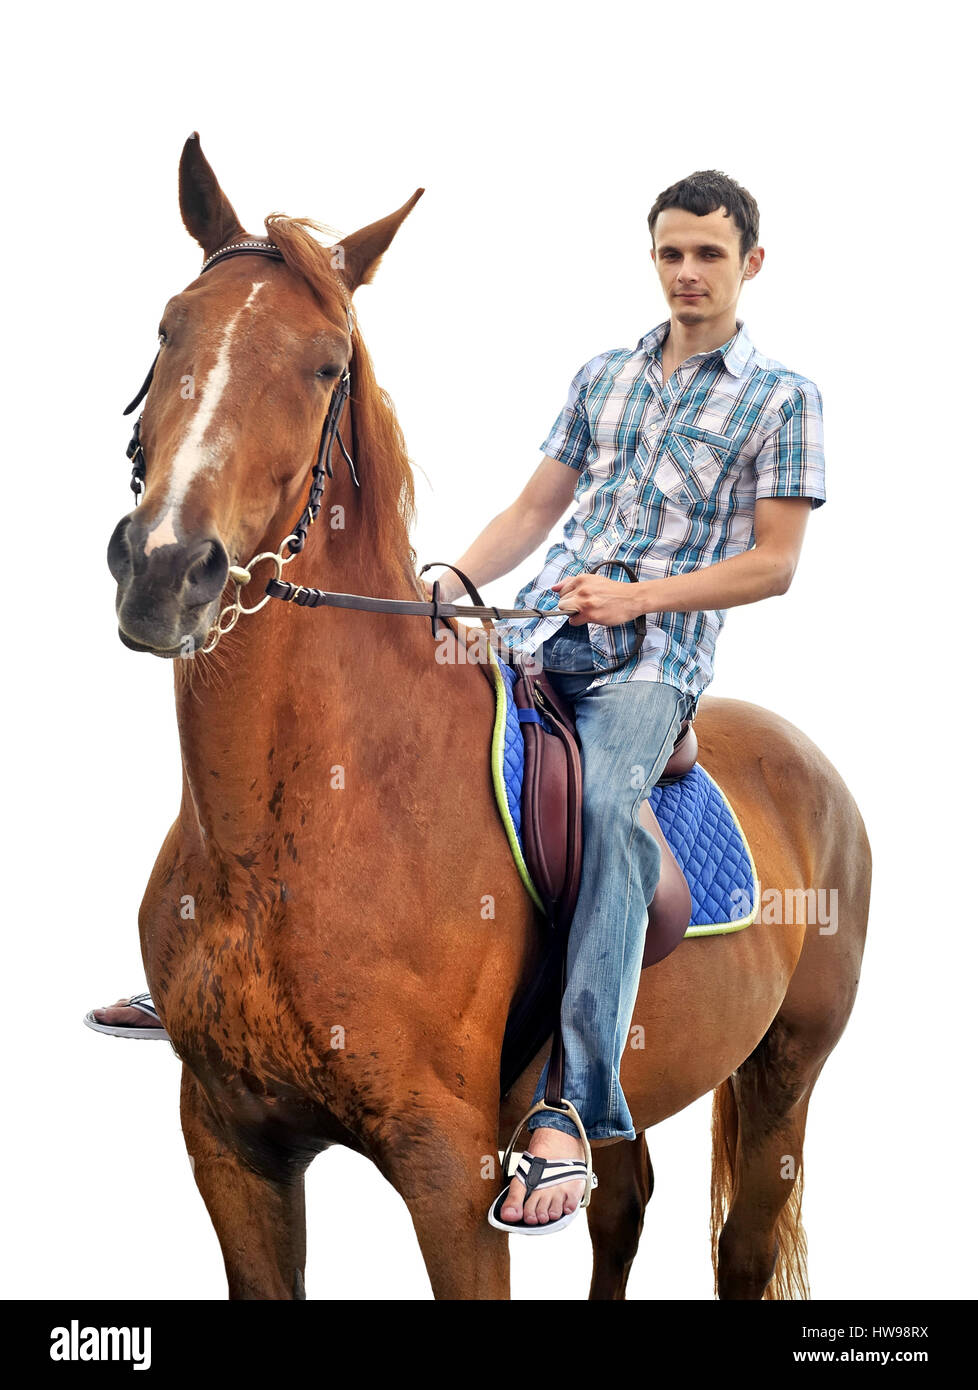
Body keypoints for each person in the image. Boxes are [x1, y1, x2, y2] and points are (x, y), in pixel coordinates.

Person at [87, 169, 826, 1234]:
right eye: (672, 252)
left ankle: (573, 1103)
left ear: (749, 264)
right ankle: (230, 974)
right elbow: (537, 506)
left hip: (653, 659)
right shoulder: (606, 377)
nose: (688, 273)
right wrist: (457, 582)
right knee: (373, 743)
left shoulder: (782, 398)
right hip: (540, 628)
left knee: (612, 812)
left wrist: (639, 594)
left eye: (710, 255)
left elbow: (775, 561)